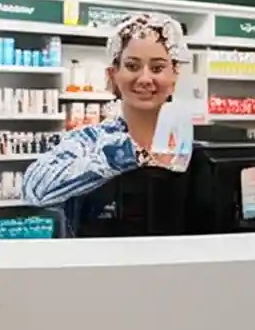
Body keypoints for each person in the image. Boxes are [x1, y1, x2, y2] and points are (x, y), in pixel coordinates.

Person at [22, 12, 190, 236]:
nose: (145, 78)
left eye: (158, 68)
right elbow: (34, 189)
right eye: (132, 66)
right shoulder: (87, 142)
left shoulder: (188, 147)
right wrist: (117, 158)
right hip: (97, 267)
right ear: (113, 75)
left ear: (174, 77)